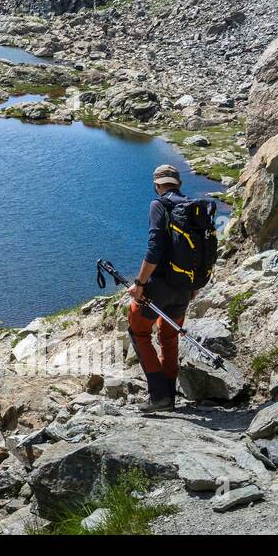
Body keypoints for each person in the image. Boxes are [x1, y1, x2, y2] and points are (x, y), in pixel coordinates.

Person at [128, 164, 195, 413]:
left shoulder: (159, 205)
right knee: (169, 336)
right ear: (179, 184)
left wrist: (139, 284)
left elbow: (154, 248)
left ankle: (158, 396)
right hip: (185, 287)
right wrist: (194, 286)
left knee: (138, 331)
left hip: (158, 287)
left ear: (157, 185)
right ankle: (169, 397)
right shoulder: (193, 207)